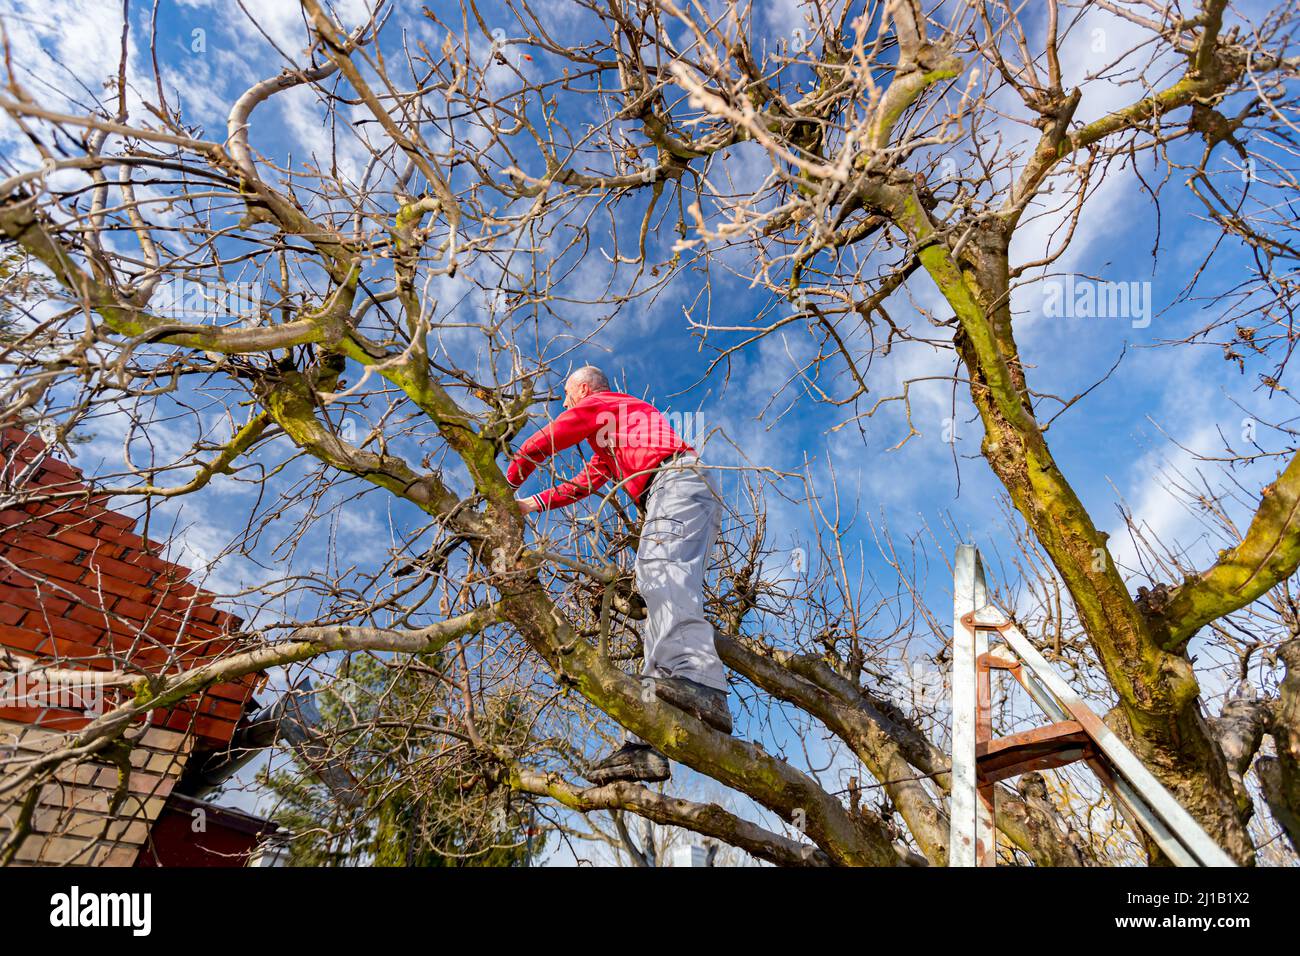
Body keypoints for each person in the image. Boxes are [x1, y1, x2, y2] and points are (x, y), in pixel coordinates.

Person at [506, 366, 731, 784]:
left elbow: (552, 437)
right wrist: (528, 505)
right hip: (679, 489)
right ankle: (644, 744)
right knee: (658, 594)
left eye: (567, 395)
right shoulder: (613, 440)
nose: (565, 403)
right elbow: (581, 484)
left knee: (662, 580)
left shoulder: (602, 404)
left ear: (585, 389)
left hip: (675, 482)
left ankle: (703, 687)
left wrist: (506, 482)